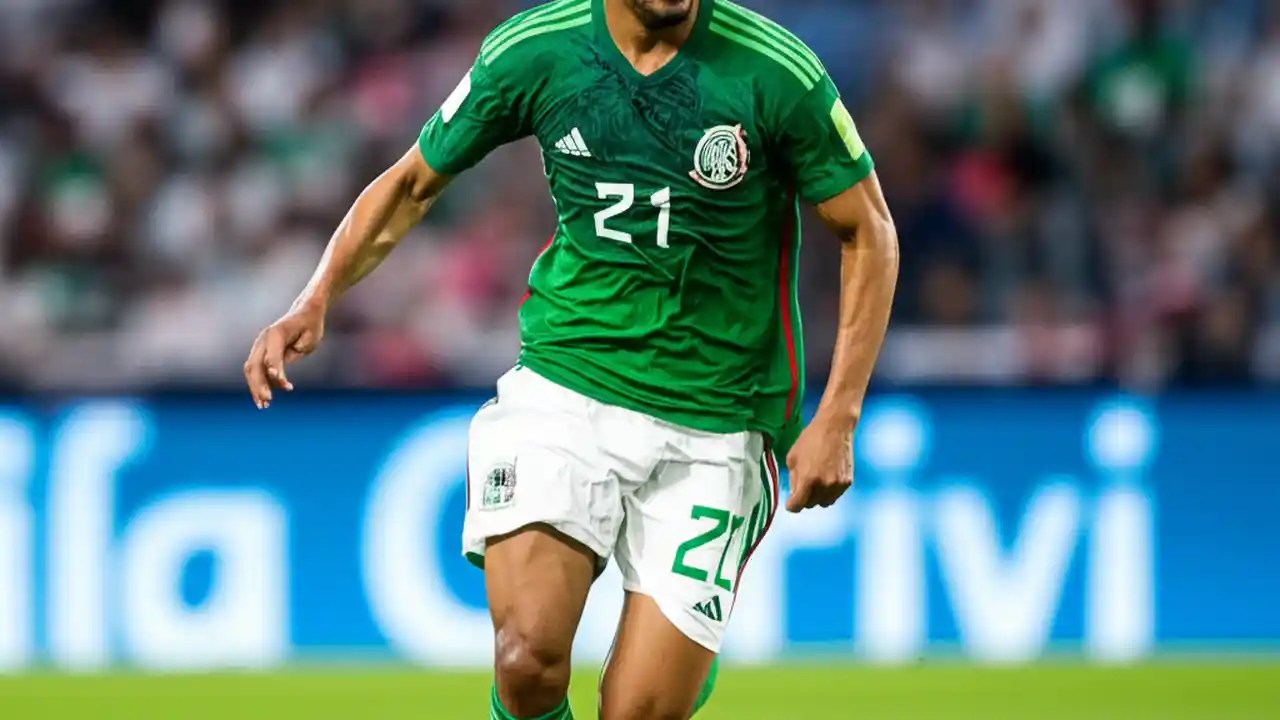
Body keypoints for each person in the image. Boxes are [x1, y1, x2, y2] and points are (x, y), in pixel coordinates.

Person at [243, 0, 899, 717]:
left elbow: (868, 230)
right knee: (526, 657)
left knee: (640, 711)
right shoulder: (537, 50)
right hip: (566, 388)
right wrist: (315, 298)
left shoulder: (777, 72)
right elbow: (411, 182)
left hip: (719, 419)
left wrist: (839, 413)